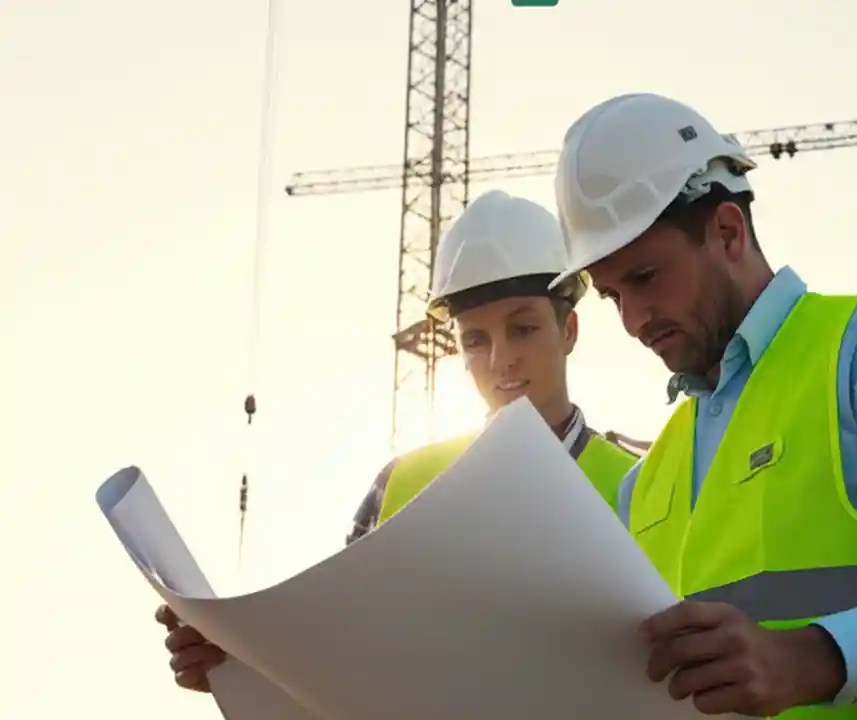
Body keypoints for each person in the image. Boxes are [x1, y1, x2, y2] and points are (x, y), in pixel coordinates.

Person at [549, 93, 857, 718]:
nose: (633, 319)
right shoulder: (647, 482)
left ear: (728, 231)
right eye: (611, 296)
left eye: (646, 277)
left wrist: (813, 659)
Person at [156, 189, 640, 694]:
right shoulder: (402, 484)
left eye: (523, 328)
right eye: (475, 340)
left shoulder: (640, 480)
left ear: (569, 330)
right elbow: (340, 660)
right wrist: (236, 667)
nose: (501, 360)